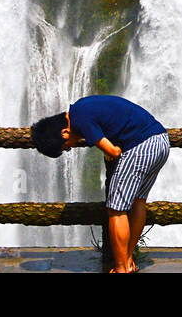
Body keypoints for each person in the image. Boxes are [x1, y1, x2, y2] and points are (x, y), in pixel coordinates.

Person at [31, 95, 170, 273]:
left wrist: (116, 150)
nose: (70, 147)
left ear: (64, 133)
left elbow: (113, 150)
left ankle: (121, 268)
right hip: (160, 141)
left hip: (141, 147)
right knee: (138, 201)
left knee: (115, 209)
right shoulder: (82, 107)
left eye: (66, 147)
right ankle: (127, 261)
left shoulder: (79, 118)